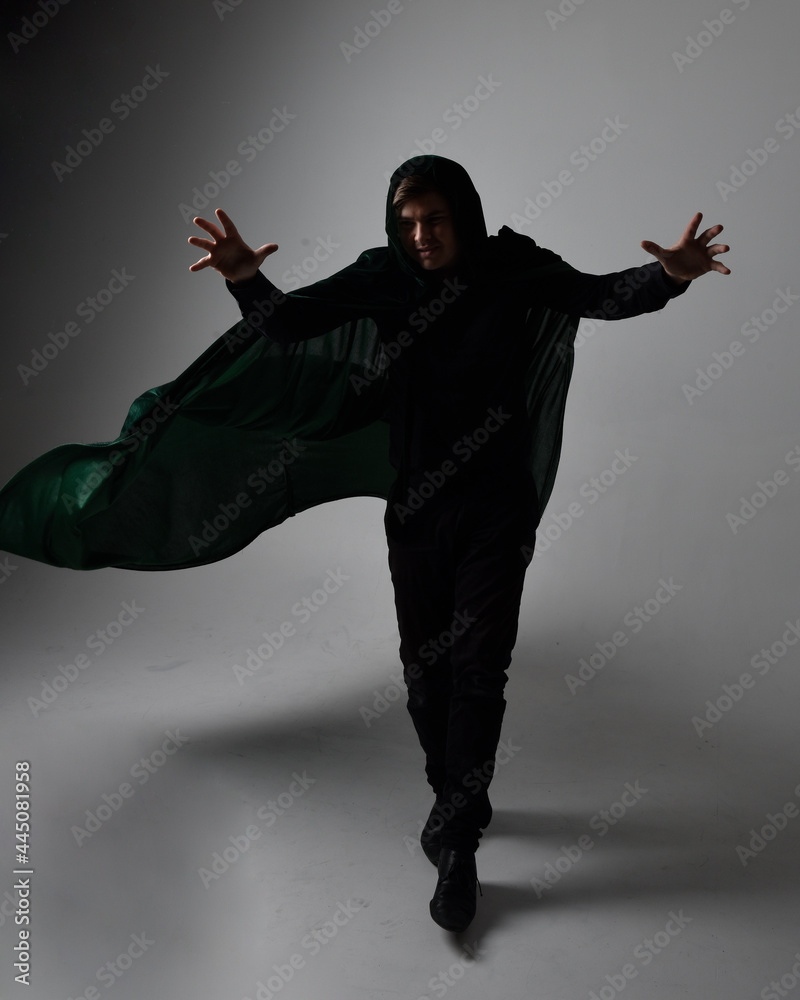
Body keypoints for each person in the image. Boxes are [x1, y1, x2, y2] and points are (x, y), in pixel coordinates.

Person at [187, 154, 731, 932]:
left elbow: (600, 297)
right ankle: (454, 793)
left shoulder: (512, 266)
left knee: (479, 668)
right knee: (424, 673)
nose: (422, 236)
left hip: (495, 507)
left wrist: (671, 277)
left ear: (464, 214)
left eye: (435, 220)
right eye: (408, 224)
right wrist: (243, 276)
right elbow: (289, 323)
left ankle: (459, 842)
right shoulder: (385, 276)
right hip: (418, 507)